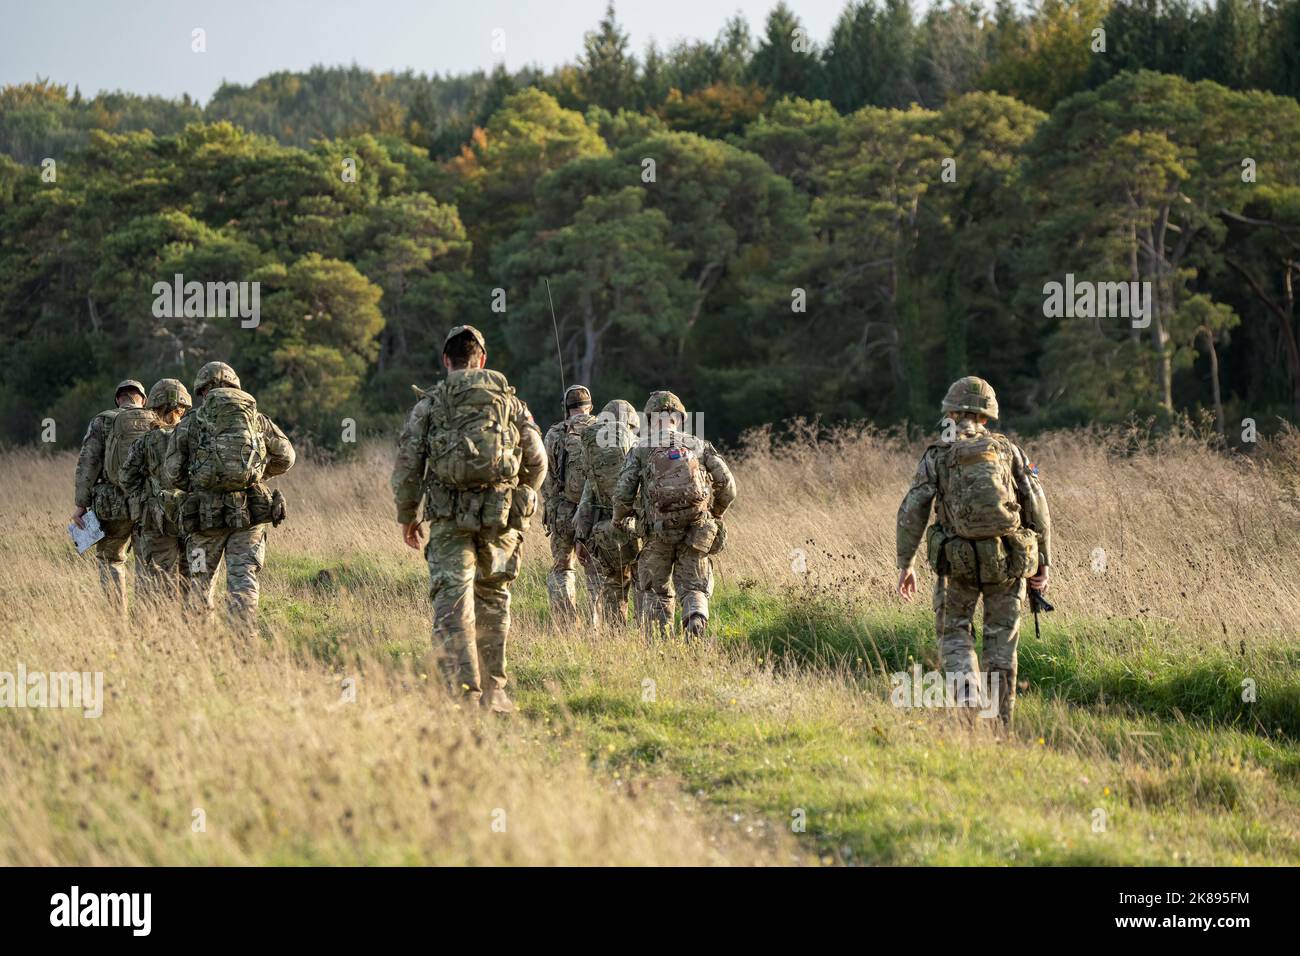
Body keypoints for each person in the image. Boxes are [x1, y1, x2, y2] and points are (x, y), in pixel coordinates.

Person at [391, 325, 547, 714]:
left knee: (453, 599)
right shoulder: (511, 402)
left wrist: (408, 517)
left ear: (447, 360)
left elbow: (408, 465)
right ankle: (496, 693)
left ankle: (461, 694)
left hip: (447, 519)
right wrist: (523, 493)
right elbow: (538, 459)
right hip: (500, 517)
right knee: (493, 596)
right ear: (482, 359)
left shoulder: (430, 403)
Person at [895, 376, 1052, 727]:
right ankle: (998, 726)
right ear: (987, 415)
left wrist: (905, 564)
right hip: (1008, 563)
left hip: (957, 565)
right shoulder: (1009, 450)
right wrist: (1043, 561)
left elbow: (913, 508)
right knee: (1001, 646)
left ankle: (969, 707)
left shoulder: (939, 453)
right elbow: (1036, 504)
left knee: (955, 635)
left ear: (951, 412)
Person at [163, 361, 295, 634]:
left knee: (199, 580)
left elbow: (172, 470)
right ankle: (243, 640)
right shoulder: (257, 418)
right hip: (249, 517)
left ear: (203, 391)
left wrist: (200, 482)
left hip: (204, 519)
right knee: (243, 579)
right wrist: (258, 475)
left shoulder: (191, 422)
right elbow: (287, 457)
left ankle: (202, 642)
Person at [612, 391, 736, 638]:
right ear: (679, 418)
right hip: (697, 527)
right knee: (693, 587)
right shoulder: (697, 444)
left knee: (655, 590)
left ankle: (660, 645)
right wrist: (715, 513)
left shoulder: (641, 449)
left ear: (649, 419)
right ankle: (696, 619)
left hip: (658, 533)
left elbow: (623, 493)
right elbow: (728, 486)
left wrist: (620, 519)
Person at [71, 379, 150, 613]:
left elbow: (88, 463)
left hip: (111, 506)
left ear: (118, 399)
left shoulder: (102, 420)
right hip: (148, 505)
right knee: (148, 564)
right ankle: (151, 621)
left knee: (111, 561)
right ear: (142, 399)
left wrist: (81, 505)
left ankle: (118, 623)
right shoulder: (156, 420)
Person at [119, 378, 193, 598]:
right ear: (183, 407)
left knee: (161, 583)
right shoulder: (194, 438)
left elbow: (126, 478)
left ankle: (161, 630)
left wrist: (147, 496)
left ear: (154, 407)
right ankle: (196, 631)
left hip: (156, 521)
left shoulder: (145, 441)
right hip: (191, 519)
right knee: (193, 581)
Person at [574, 399, 641, 625]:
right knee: (643, 582)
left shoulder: (596, 457)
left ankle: (616, 635)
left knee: (615, 583)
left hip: (608, 532)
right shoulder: (641, 448)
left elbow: (586, 500)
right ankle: (645, 634)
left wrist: (581, 538)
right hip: (638, 528)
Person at [542, 384, 599, 625]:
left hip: (564, 512)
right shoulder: (603, 430)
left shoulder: (555, 433)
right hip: (596, 514)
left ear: (566, 409)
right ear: (590, 407)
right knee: (596, 572)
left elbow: (547, 479)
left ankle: (567, 625)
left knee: (562, 570)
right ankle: (598, 624)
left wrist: (553, 507)